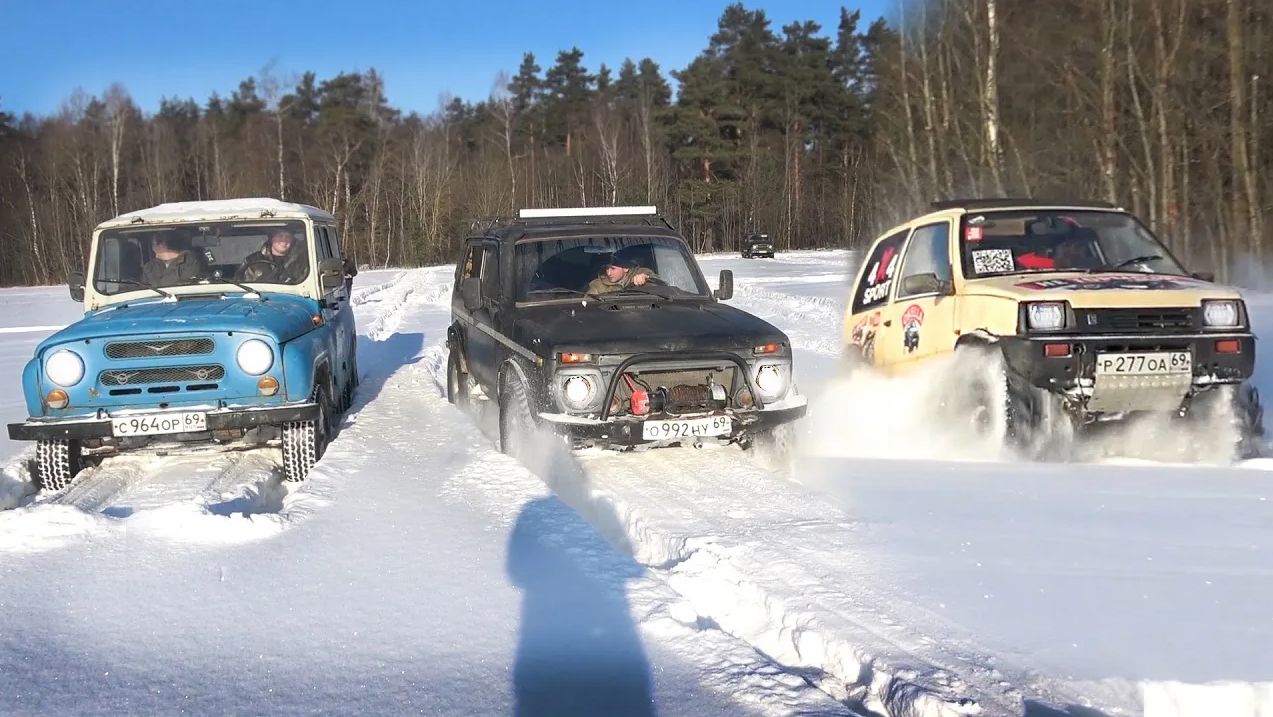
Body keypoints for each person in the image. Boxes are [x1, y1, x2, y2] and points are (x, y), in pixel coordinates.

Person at [237, 228, 307, 283]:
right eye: (280, 236)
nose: (284, 240)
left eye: (288, 236)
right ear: (271, 239)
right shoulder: (252, 261)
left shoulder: (302, 261)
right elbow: (243, 286)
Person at [586, 249, 658, 294]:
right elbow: (588, 305)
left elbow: (660, 286)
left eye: (613, 268)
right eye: (607, 268)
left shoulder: (641, 273)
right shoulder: (598, 285)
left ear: (625, 268)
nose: (608, 273)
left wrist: (647, 279)